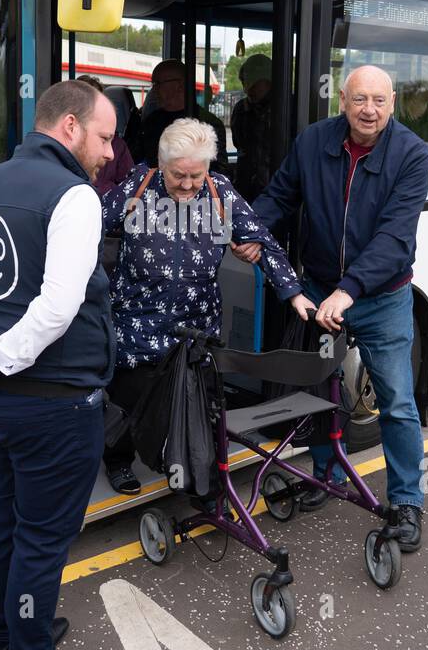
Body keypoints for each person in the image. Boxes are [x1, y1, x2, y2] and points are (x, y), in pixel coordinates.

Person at [0, 79, 118, 650]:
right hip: (57, 406)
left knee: (4, 522)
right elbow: (58, 307)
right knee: (42, 539)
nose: (110, 153)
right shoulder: (74, 196)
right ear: (70, 127)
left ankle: (0, 634)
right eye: (105, 138)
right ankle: (28, 643)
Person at [239, 65, 428, 551]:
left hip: (382, 298)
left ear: (392, 102)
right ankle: (325, 474)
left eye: (380, 101)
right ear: (342, 101)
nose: (369, 110)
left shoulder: (412, 154)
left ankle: (407, 502)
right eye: (360, 99)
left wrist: (348, 291)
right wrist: (252, 232)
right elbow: (280, 197)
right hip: (321, 289)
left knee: (397, 403)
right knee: (318, 388)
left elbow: (395, 238)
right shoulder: (313, 142)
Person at [98, 118, 308, 494]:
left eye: (197, 175)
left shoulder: (218, 191)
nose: (188, 184)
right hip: (137, 323)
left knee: (200, 403)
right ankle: (118, 460)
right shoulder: (138, 186)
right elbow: (86, 227)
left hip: (197, 327)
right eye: (179, 175)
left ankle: (192, 469)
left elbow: (264, 242)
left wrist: (293, 293)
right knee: (129, 402)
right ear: (161, 165)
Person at [139, 59, 229, 170]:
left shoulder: (208, 124)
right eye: (153, 84)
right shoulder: (151, 122)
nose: (154, 90)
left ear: (180, 85)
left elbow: (220, 170)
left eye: (158, 83)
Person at [75, 76, 135, 197]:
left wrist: (107, 190)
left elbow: (130, 185)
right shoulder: (66, 142)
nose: (109, 155)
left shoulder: (118, 146)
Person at [229, 53, 274, 202]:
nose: (248, 90)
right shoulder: (241, 109)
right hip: (245, 186)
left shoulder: (287, 108)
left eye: (254, 84)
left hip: (274, 188)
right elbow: (239, 144)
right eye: (245, 83)